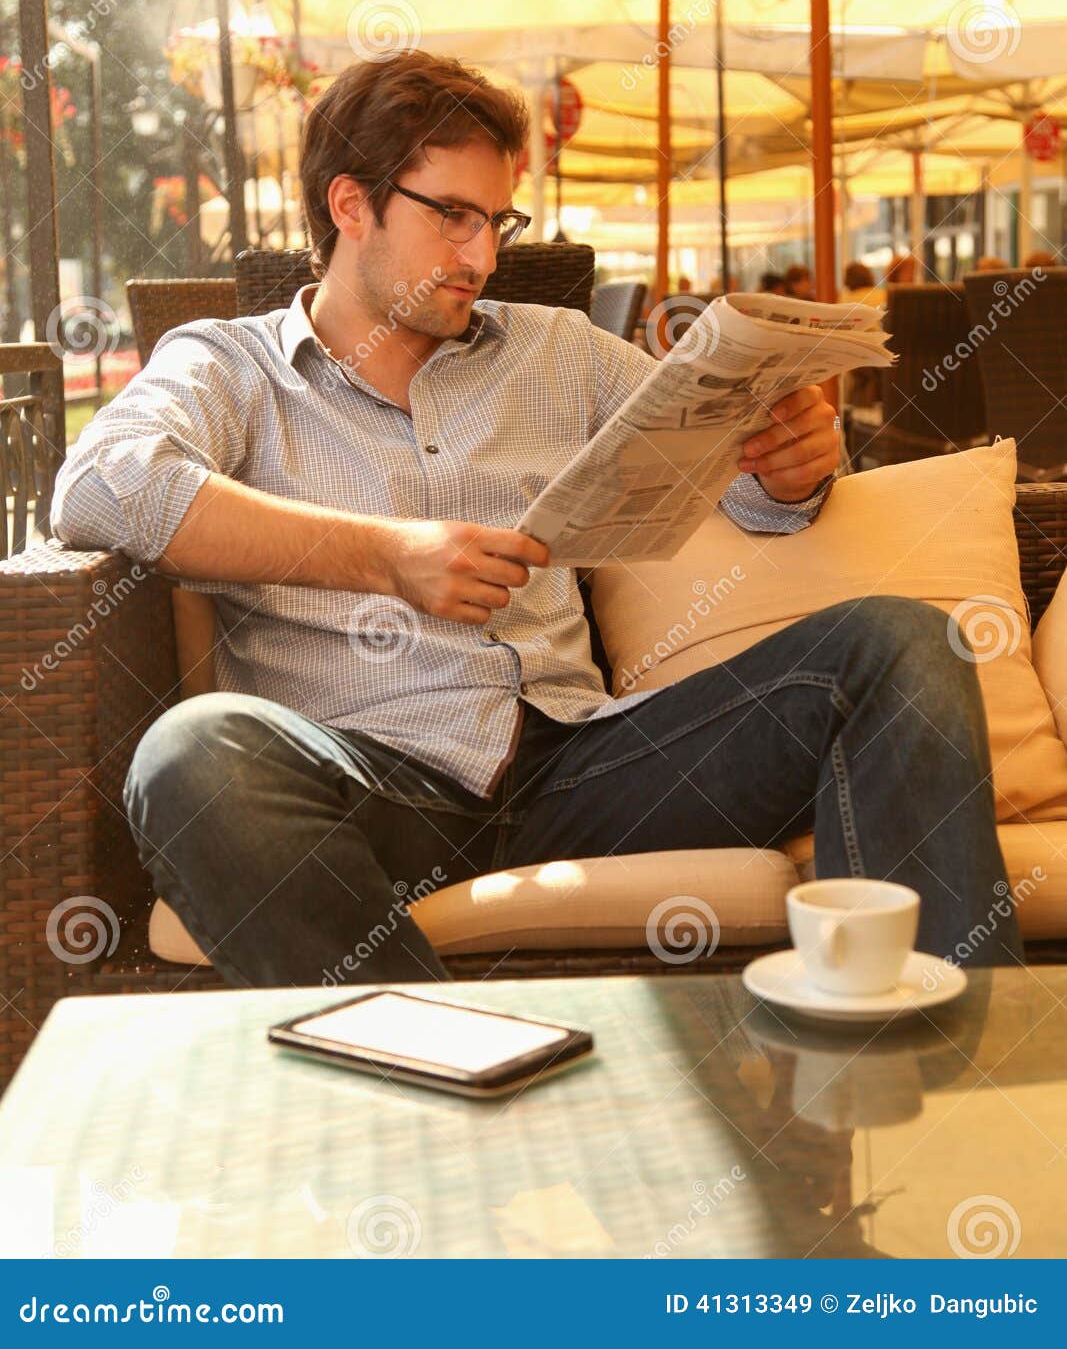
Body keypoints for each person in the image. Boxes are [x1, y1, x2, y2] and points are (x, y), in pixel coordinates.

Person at [51, 51, 1021, 986]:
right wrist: (389, 560)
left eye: (496, 221)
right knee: (191, 756)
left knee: (899, 641)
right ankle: (443, 1063)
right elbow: (104, 485)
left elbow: (739, 494)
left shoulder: (561, 351)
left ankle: (949, 1096)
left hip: (588, 764)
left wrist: (788, 468)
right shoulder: (229, 366)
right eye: (451, 217)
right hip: (374, 784)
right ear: (351, 204)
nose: (481, 255)